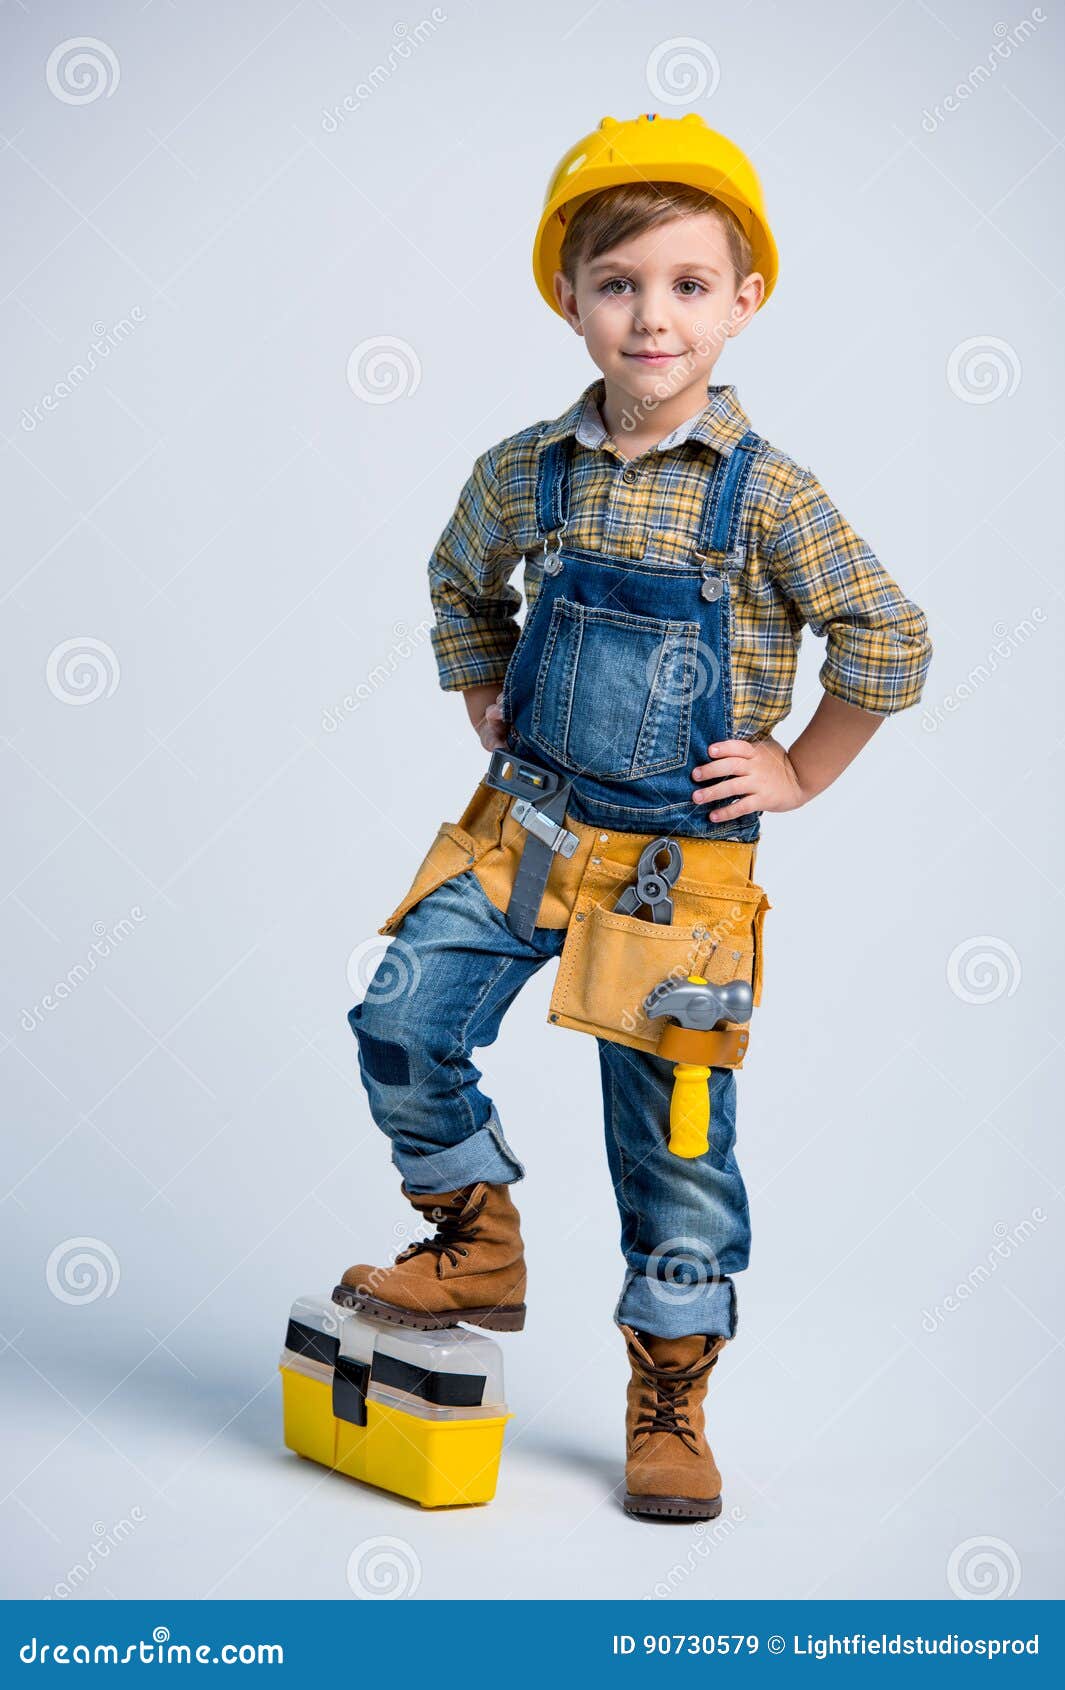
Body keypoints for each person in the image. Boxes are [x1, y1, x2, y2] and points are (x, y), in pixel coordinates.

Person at [332, 113, 932, 1521]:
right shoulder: (526, 471)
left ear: (743, 300)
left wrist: (800, 768)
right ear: (569, 298)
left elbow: (892, 643)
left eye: (685, 282)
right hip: (526, 824)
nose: (650, 314)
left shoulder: (766, 491)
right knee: (401, 1010)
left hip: (679, 871)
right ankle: (475, 1238)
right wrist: (480, 681)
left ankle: (670, 1391)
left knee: (674, 1144)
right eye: (617, 282)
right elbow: (456, 580)